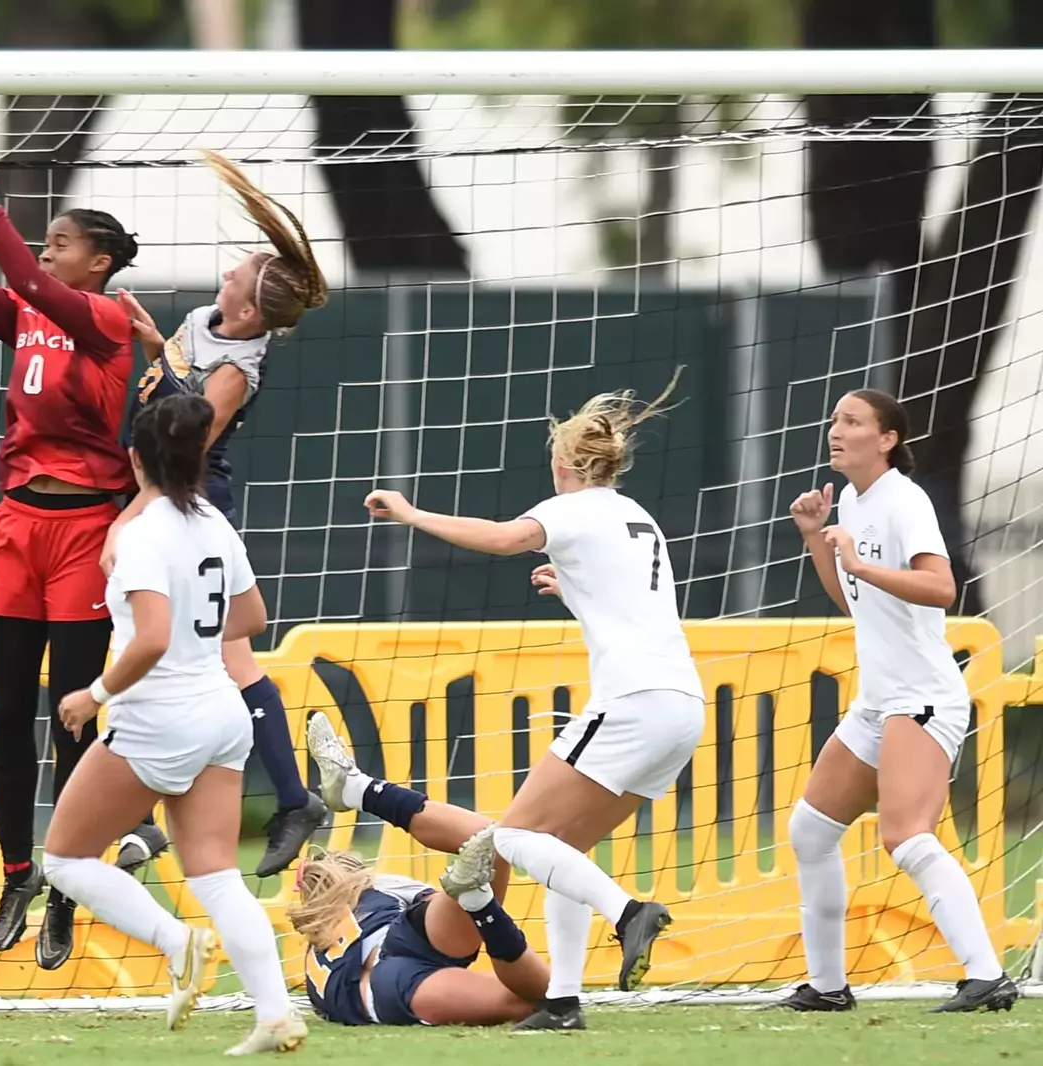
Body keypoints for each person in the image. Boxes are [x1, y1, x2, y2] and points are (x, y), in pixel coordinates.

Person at [363, 372, 701, 1031]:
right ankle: (564, 1002)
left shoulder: (569, 509)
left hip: (633, 699)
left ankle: (629, 913)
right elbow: (630, 600)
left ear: (564, 463)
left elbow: (498, 537)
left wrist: (409, 512)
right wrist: (571, 587)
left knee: (512, 838)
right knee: (560, 851)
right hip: (681, 706)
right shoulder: (637, 517)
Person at [0, 113, 161, 968]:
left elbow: (21, 271)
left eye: (60, 242)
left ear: (97, 262)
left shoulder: (104, 319)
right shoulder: (30, 316)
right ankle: (18, 871)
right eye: (46, 241)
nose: (44, 253)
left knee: (73, 719)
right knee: (9, 713)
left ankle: (69, 881)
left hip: (86, 530)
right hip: (17, 526)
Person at [40, 393, 308, 1055]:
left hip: (159, 717)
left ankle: (173, 941)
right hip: (222, 712)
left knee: (65, 859)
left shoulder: (144, 534)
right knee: (215, 874)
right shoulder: (213, 521)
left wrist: (92, 694)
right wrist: (197, 629)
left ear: (135, 460)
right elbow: (250, 619)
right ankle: (276, 1014)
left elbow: (153, 638)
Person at [108, 149, 330, 879]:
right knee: (166, 644)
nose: (229, 269)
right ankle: (149, 809)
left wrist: (132, 516)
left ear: (248, 307)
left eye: (238, 271)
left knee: (218, 650)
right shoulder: (209, 324)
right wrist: (149, 343)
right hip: (156, 485)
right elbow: (170, 383)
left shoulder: (239, 371)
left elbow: (188, 457)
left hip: (190, 495)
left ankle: (288, 800)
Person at [779, 388, 1018, 1014]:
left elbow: (941, 588)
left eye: (852, 421)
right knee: (809, 829)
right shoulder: (852, 502)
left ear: (887, 440)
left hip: (924, 697)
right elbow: (853, 597)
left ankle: (987, 976)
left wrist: (858, 560)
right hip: (880, 701)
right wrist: (817, 540)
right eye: (834, 420)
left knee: (907, 838)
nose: (836, 430)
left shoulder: (904, 499)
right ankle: (828, 988)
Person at [294, 713, 549, 1027]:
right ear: (354, 874)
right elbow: (433, 905)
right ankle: (362, 791)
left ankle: (479, 903)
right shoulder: (374, 889)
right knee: (493, 843)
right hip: (403, 941)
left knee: (540, 1000)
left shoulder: (315, 959)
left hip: (383, 993)